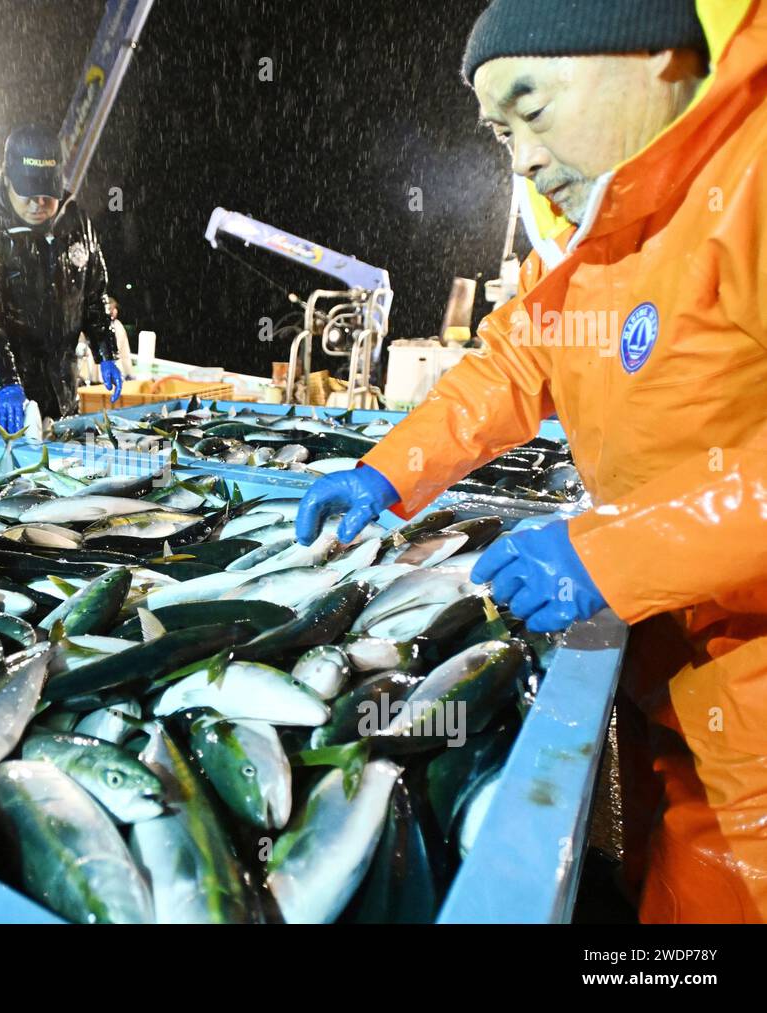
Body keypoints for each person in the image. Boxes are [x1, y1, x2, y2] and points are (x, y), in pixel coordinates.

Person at [296, 0, 766, 922]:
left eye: (532, 109)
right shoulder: (597, 234)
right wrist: (388, 472)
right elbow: (515, 362)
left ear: (660, 54)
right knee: (660, 890)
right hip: (667, 665)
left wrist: (615, 552)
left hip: (754, 702)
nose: (521, 158)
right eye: (499, 132)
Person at [0, 124, 123, 434]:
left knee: (64, 461)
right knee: (17, 467)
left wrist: (106, 351)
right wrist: (5, 384)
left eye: (47, 193)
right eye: (28, 193)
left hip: (62, 383)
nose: (38, 204)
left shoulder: (77, 223)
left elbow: (93, 296)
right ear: (7, 178)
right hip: (9, 391)